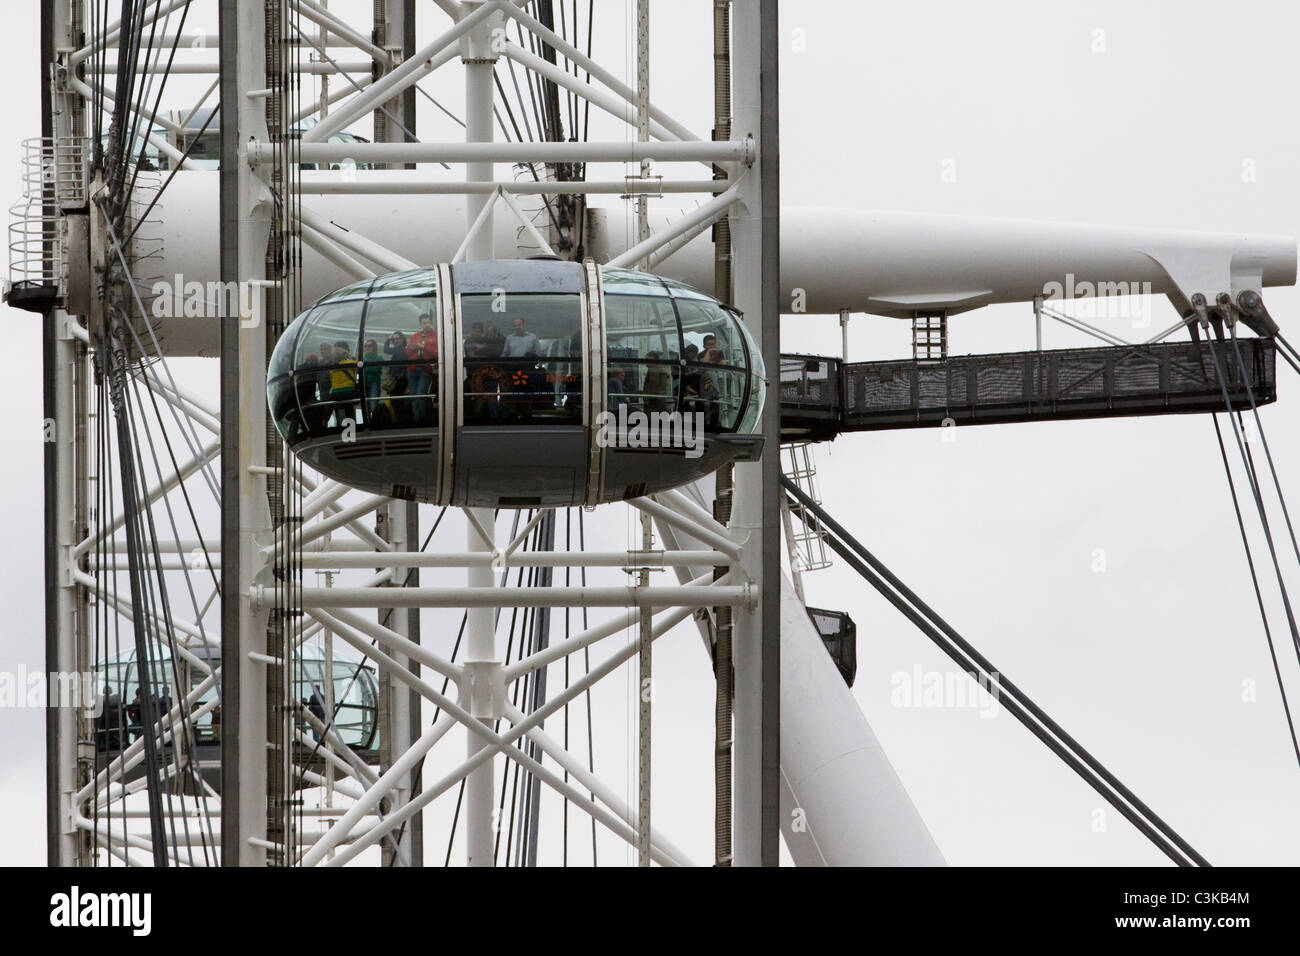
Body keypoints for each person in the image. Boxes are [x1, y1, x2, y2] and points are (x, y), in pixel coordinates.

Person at [407, 313, 439, 422]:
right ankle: (416, 418)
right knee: (413, 395)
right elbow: (407, 353)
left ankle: (421, 419)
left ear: (431, 323)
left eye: (428, 322)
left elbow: (437, 353)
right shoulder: (415, 336)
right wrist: (413, 347)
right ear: (420, 324)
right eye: (424, 323)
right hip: (412, 369)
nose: (426, 325)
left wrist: (423, 347)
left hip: (426, 370)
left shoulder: (436, 336)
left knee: (420, 394)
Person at [328, 340, 360, 427]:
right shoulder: (350, 363)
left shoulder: (331, 366)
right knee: (349, 411)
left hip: (335, 394)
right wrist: (347, 355)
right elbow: (359, 363)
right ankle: (352, 430)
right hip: (349, 392)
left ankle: (325, 424)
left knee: (332, 409)